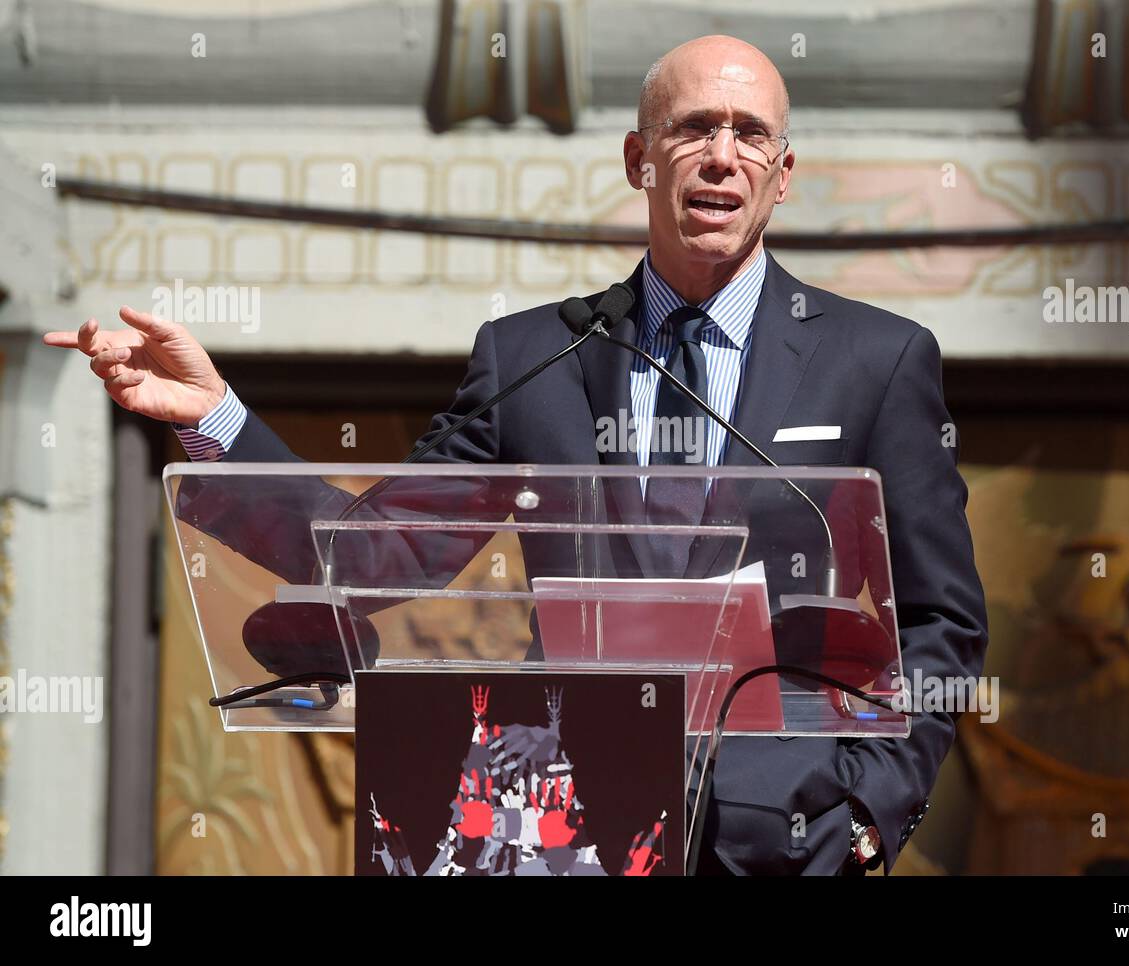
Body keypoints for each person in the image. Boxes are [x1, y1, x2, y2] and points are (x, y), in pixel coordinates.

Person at [46, 35, 987, 875]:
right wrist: (219, 417)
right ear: (638, 159)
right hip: (562, 827)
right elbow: (370, 553)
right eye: (695, 128)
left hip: (783, 834)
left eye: (750, 135)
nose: (722, 157)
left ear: (783, 174)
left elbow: (942, 619)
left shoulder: (875, 360)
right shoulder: (536, 357)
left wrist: (869, 811)